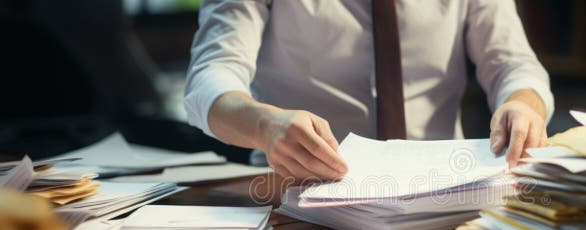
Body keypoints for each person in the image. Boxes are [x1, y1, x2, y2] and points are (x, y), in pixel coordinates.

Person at [184, 0, 554, 181]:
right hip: (296, 193)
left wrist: (523, 104)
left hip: (443, 192)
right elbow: (210, 79)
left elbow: (513, 64)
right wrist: (265, 126)